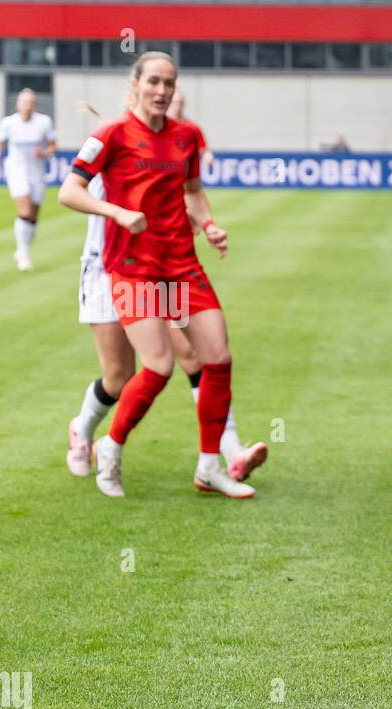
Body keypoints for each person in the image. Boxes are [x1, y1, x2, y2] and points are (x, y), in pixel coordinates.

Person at [58, 51, 256, 499]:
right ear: (136, 84)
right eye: (154, 82)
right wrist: (117, 212)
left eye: (169, 83)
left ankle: (211, 466)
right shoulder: (110, 134)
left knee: (217, 358)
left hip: (181, 267)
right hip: (132, 269)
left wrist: (209, 226)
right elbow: (69, 191)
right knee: (155, 367)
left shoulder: (186, 137)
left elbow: (193, 191)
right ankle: (109, 447)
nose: (162, 91)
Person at [0, 89, 56, 271]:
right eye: (23, 102)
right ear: (18, 104)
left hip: (37, 171)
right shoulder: (9, 123)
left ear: (34, 105)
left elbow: (53, 146)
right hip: (16, 170)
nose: (26, 106)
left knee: (33, 215)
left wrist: (43, 152)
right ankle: (23, 253)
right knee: (25, 209)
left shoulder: (44, 122)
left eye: (29, 102)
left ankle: (23, 247)